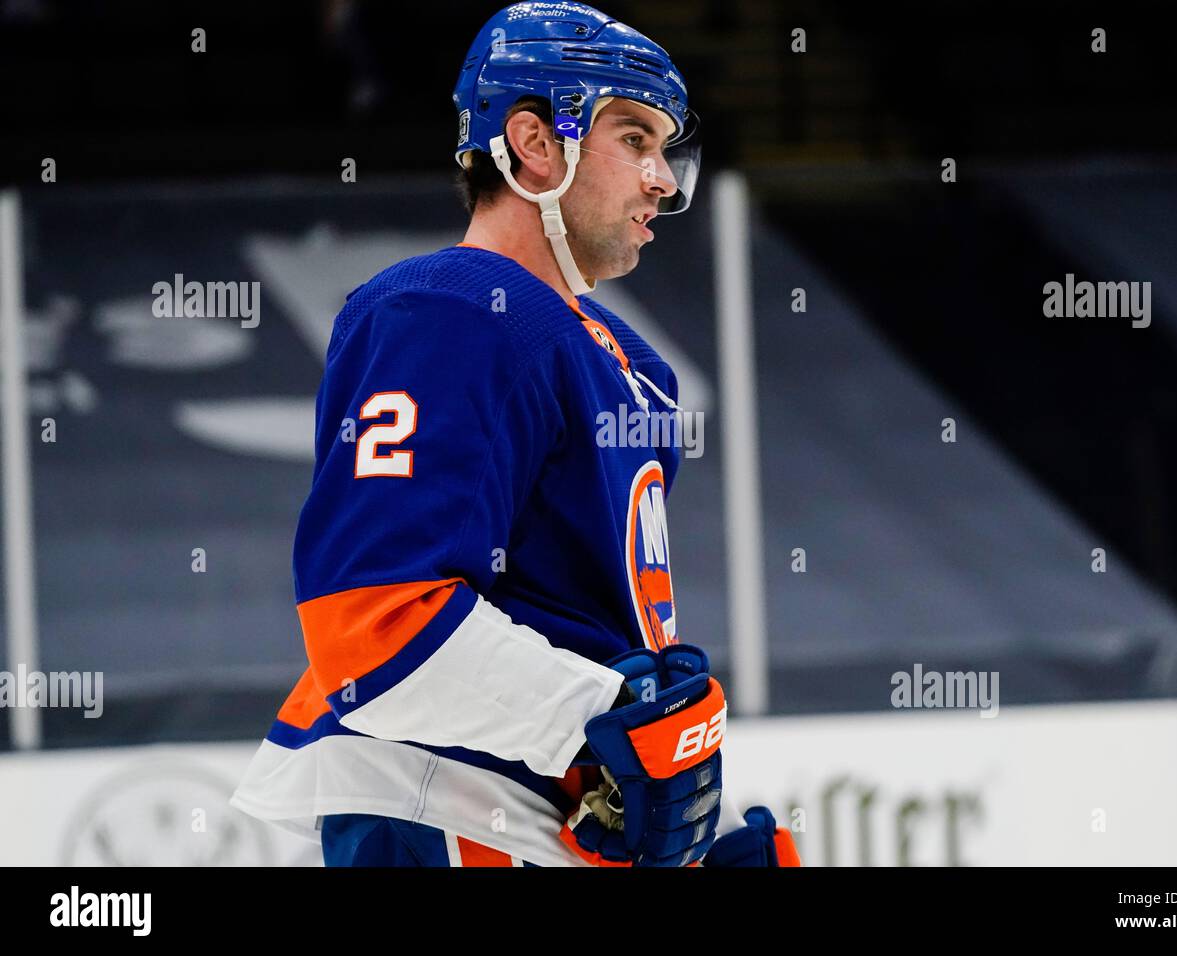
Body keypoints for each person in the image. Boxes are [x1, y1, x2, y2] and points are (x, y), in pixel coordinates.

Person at [230, 1, 799, 868]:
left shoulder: (634, 364)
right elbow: (373, 617)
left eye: (666, 147)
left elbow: (571, 627)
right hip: (445, 812)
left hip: (530, 823)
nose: (667, 180)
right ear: (535, 144)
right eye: (636, 138)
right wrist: (606, 719)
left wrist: (671, 823)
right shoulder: (444, 307)